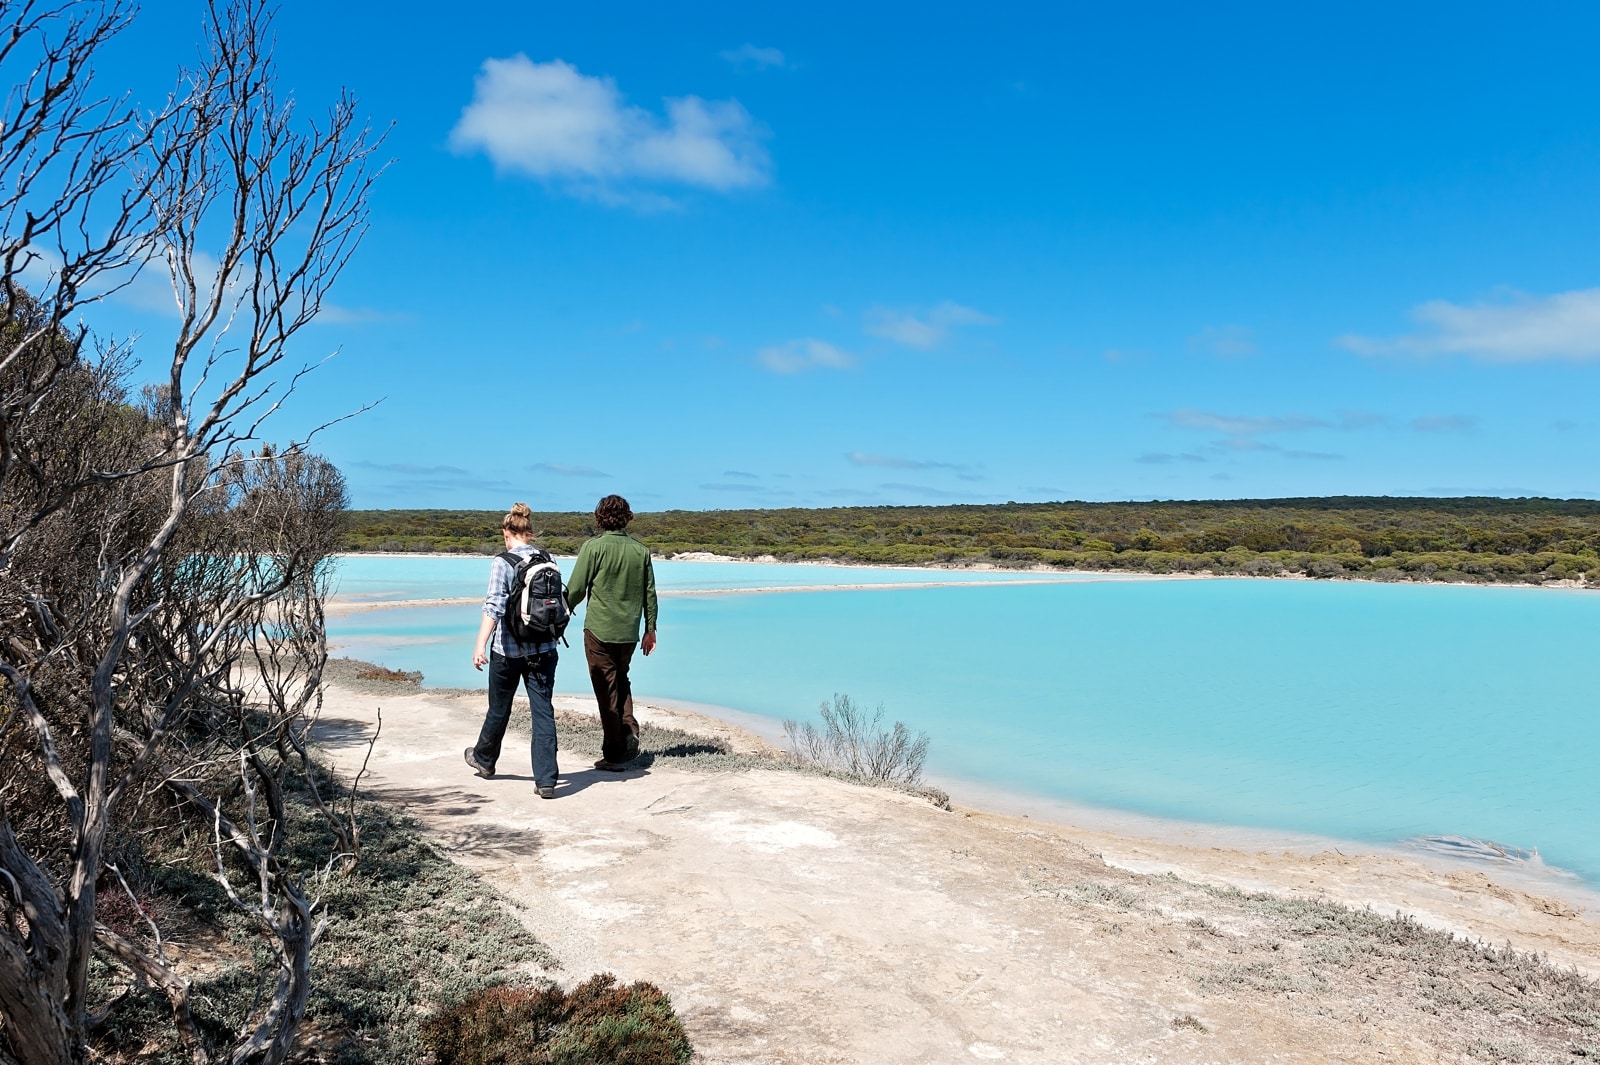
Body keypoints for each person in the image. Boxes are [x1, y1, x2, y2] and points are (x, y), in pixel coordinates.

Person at [465, 502, 560, 799]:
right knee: (543, 711)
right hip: (545, 647)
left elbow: (493, 606)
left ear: (507, 532)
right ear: (529, 532)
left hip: (508, 650)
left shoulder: (501, 562)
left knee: (499, 708)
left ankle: (484, 759)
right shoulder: (548, 558)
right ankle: (546, 780)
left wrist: (480, 644)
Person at [565, 494, 658, 771]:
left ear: (600, 517)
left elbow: (576, 590)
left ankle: (615, 754)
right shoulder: (640, 551)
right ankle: (629, 729)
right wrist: (650, 629)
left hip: (599, 630)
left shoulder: (593, 548)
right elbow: (649, 593)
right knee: (621, 679)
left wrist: (557, 615)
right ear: (627, 516)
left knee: (606, 690)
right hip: (628, 632)